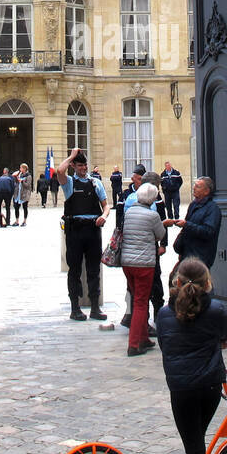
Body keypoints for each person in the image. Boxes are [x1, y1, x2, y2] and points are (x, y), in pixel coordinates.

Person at [156, 258, 227, 454]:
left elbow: (164, 344)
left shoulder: (163, 314)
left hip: (181, 387)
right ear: (208, 283)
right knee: (197, 445)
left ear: (176, 282)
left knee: (195, 449)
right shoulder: (216, 310)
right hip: (210, 385)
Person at [56, 148, 109, 322]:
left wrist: (103, 216)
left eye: (85, 165)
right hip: (75, 231)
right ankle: (75, 307)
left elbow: (106, 205)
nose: (83, 168)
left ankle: (95, 307)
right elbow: (59, 171)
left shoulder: (95, 183)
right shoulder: (70, 183)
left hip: (93, 229)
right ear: (74, 166)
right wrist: (71, 156)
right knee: (75, 269)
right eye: (80, 165)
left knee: (94, 269)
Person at [121, 183, 167, 356]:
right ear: (153, 199)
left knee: (138, 299)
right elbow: (160, 234)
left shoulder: (129, 211)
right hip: (144, 264)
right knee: (141, 303)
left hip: (127, 263)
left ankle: (143, 338)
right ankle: (133, 344)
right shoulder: (153, 215)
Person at [167, 176, 221, 268]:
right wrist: (179, 245)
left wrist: (186, 225)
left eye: (198, 186)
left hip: (200, 258)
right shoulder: (193, 204)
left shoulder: (212, 209)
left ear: (206, 191)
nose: (194, 188)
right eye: (194, 185)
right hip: (187, 255)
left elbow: (208, 231)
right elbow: (186, 227)